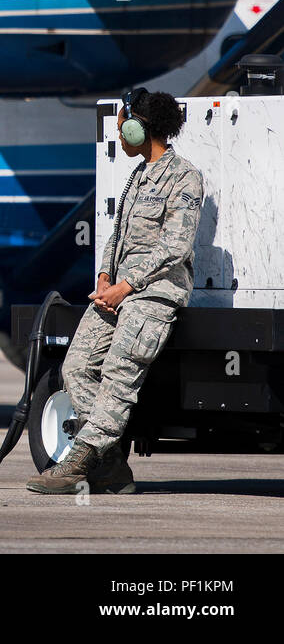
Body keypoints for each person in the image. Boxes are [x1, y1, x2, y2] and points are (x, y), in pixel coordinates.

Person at [26, 88, 204, 495]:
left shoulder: (184, 177)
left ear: (142, 128)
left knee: (117, 376)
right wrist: (106, 276)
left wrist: (127, 285)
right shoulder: (138, 176)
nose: (119, 133)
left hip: (153, 295)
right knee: (75, 368)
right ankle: (110, 465)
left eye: (125, 125)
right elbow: (119, 235)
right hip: (119, 290)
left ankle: (78, 464)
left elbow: (175, 246)